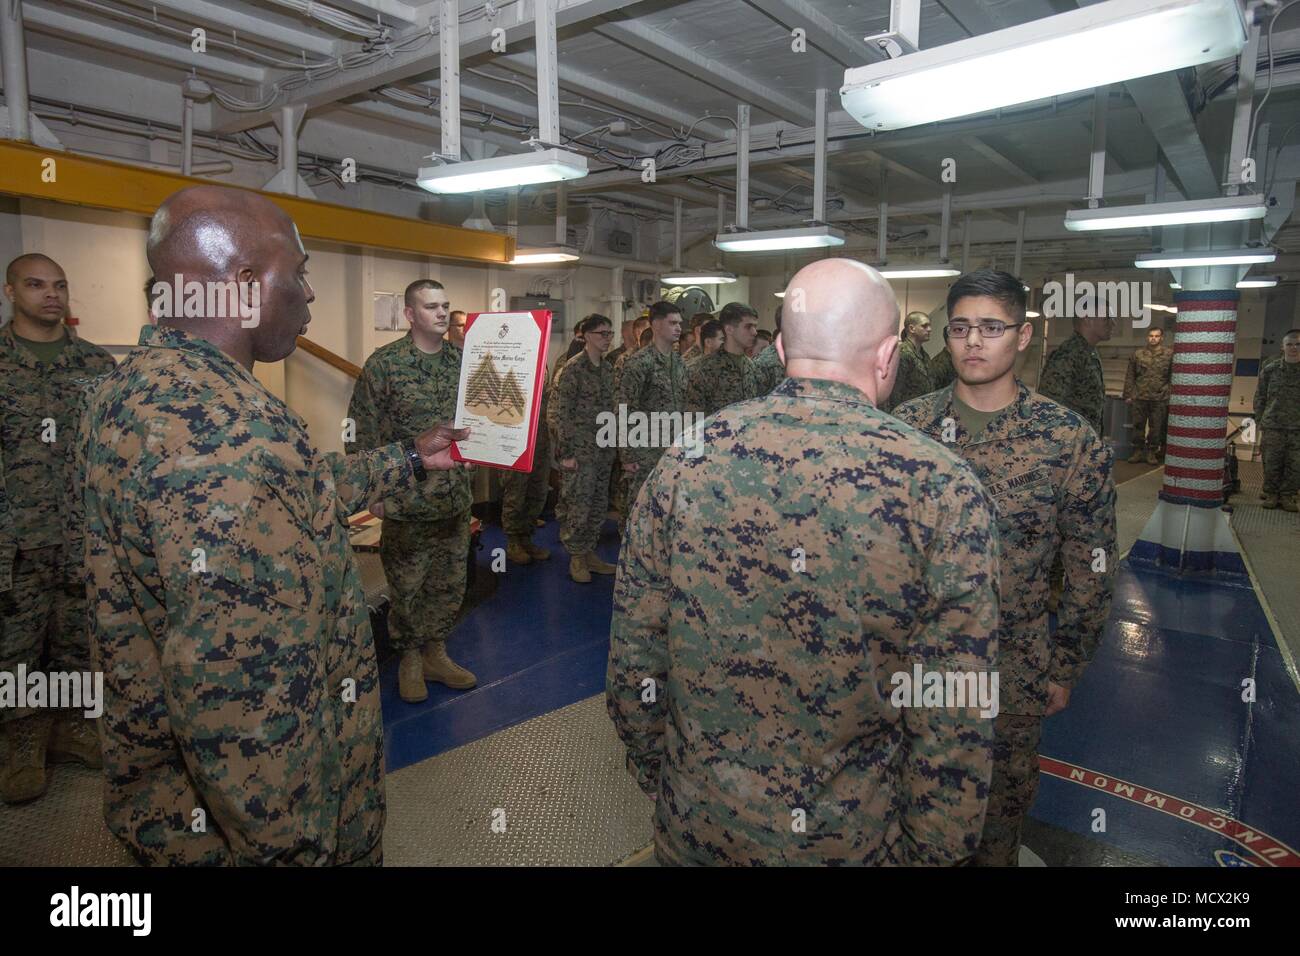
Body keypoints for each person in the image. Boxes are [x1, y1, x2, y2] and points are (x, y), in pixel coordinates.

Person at [80, 185, 469, 865]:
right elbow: (249, 713)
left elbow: (293, 487)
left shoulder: (137, 388)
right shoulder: (227, 436)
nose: (311, 294)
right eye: (303, 271)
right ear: (248, 283)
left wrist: (409, 457)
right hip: (276, 827)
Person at [607, 258, 1000, 866]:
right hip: (851, 841)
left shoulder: (686, 460)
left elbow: (635, 664)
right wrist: (935, 852)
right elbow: (955, 708)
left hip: (697, 829)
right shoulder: (940, 486)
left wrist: (670, 780)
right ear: (888, 355)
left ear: (785, 346)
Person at [893, 269, 1116, 866]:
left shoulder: (1067, 440)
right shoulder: (906, 431)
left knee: (998, 812)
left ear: (1022, 337)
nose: (973, 342)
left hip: (1010, 670)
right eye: (961, 327)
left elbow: (1090, 566)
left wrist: (1065, 663)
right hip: (910, 665)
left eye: (991, 328)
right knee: (904, 807)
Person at [1, 253, 116, 805]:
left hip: (79, 533)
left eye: (60, 285)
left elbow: (115, 449)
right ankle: (21, 741)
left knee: (76, 637)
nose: (51, 294)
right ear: (10, 291)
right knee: (16, 647)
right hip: (15, 539)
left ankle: (71, 728)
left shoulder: (95, 365)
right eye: (36, 284)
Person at [348, 279, 478, 702]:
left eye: (445, 306)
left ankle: (436, 652)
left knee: (449, 582)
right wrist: (375, 495)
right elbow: (361, 432)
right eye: (430, 307)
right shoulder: (384, 365)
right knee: (406, 586)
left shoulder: (463, 363)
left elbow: (479, 418)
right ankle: (409, 658)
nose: (441, 314)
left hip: (454, 496)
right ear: (409, 314)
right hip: (406, 500)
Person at [549, 314, 618, 582]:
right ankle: (576, 557)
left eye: (609, 334)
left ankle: (590, 552)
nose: (607, 339)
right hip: (579, 452)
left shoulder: (608, 369)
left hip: (603, 450)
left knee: (598, 505)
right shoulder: (573, 370)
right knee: (579, 503)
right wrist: (565, 454)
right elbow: (560, 415)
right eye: (602, 333)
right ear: (586, 336)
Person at [614, 300, 687, 512]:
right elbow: (624, 410)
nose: (679, 328)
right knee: (639, 509)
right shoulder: (639, 363)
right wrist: (627, 456)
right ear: (655, 325)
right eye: (673, 323)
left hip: (672, 448)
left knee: (667, 509)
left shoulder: (679, 362)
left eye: (679, 323)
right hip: (645, 451)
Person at [1038, 312, 1113, 436]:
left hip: (1084, 441)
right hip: (1069, 443)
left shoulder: (1089, 352)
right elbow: (1049, 405)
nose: (1113, 323)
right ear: (1088, 319)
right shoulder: (1068, 354)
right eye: (1107, 319)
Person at [685, 302, 760, 416]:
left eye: (755, 327)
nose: (754, 332)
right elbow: (693, 420)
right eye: (748, 326)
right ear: (729, 329)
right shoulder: (703, 369)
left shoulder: (751, 366)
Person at [1254, 329, 1300, 511]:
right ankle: (1272, 494)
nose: (1294, 348)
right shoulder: (1270, 369)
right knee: (1271, 462)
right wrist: (1260, 421)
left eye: (1298, 344)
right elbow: (1260, 397)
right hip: (1273, 425)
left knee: (1295, 464)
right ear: (1283, 347)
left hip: (1297, 428)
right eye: (1289, 344)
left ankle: (1288, 496)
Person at [1123, 327, 1174, 464]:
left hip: (1159, 397)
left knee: (1156, 427)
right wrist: (1128, 394)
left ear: (1161, 338)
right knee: (1138, 425)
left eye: (1157, 336)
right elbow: (1130, 375)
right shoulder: (1138, 354)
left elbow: (1172, 377)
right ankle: (1138, 451)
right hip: (1140, 396)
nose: (1153, 338)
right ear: (1147, 337)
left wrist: (1169, 394)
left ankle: (1152, 452)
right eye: (1151, 335)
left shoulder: (1169, 355)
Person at [882, 310, 934, 412]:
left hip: (922, 414)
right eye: (924, 326)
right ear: (911, 329)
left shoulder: (924, 355)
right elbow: (894, 391)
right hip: (905, 415)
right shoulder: (903, 353)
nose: (929, 329)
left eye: (929, 326)